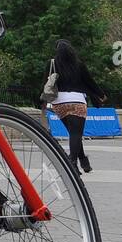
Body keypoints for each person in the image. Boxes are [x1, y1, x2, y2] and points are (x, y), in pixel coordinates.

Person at [47, 39, 106, 174]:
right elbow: (90, 81)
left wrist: (43, 102)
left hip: (59, 103)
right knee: (76, 134)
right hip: (77, 101)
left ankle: (84, 163)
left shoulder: (52, 64)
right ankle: (72, 162)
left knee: (74, 134)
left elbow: (47, 82)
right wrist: (101, 94)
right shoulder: (79, 65)